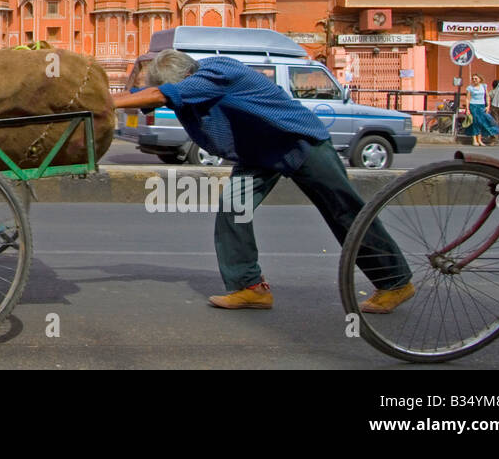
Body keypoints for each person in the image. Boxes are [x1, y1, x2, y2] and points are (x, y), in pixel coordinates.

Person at [112, 49, 415, 313]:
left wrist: (111, 104)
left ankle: (395, 282)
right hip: (257, 156)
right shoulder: (186, 90)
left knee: (345, 212)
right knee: (233, 210)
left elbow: (163, 94)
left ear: (189, 75)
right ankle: (251, 287)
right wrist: (98, 103)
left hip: (298, 142)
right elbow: (145, 100)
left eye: (175, 88)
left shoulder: (218, 71)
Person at [464, 74, 499, 146]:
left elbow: (487, 96)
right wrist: (467, 109)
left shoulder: (484, 86)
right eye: (473, 79)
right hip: (473, 105)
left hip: (482, 106)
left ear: (480, 79)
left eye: (476, 78)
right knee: (475, 122)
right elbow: (468, 98)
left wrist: (488, 106)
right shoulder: (470, 88)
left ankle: (480, 140)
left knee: (481, 122)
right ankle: (475, 140)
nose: (474, 80)